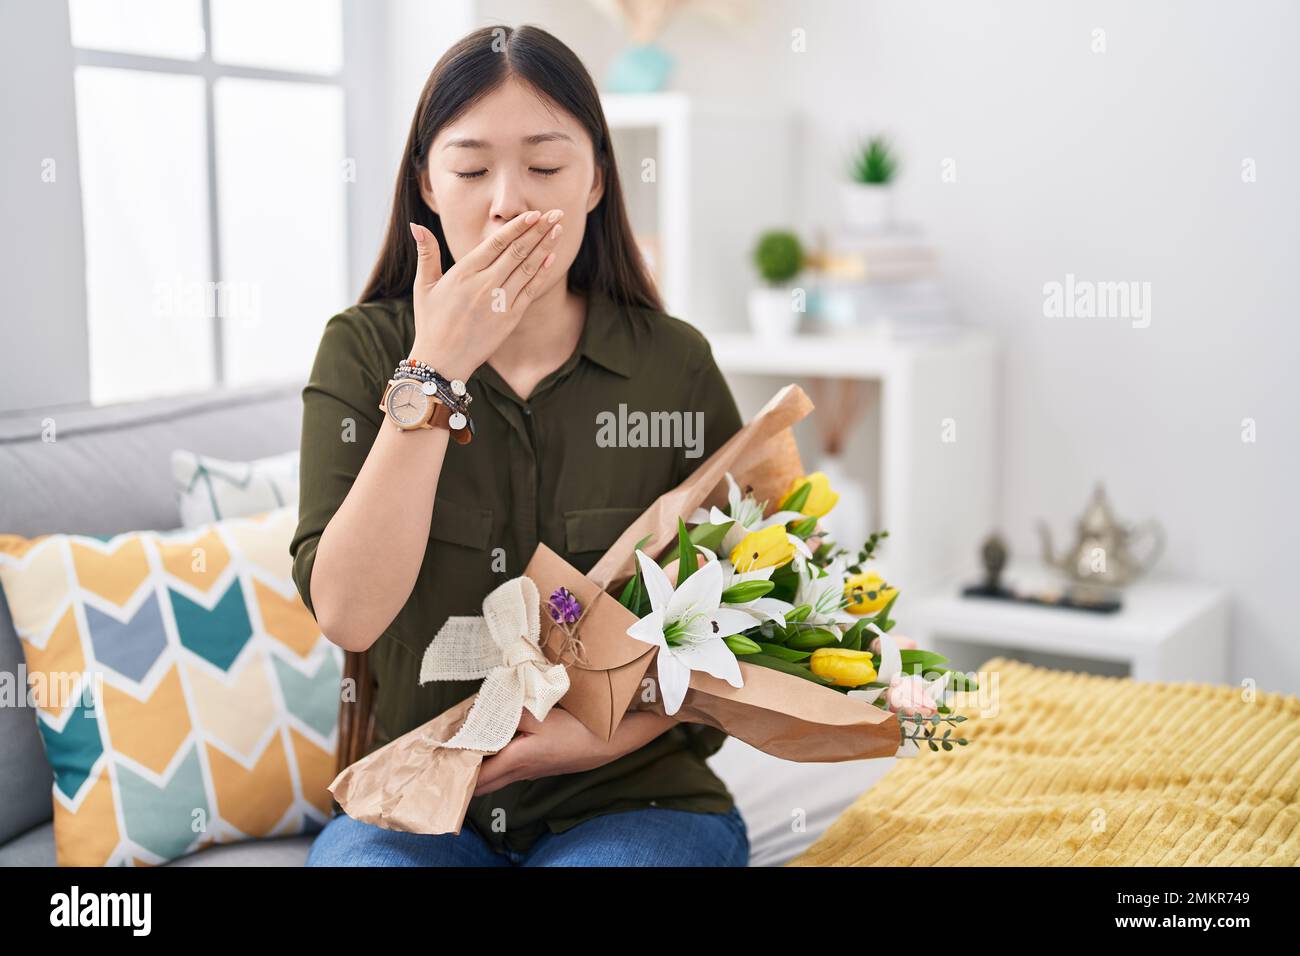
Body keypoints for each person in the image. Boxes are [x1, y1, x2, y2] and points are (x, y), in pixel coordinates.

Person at [291, 24, 749, 867]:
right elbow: (348, 613)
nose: (509, 201)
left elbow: (745, 620)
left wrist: (595, 740)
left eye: (545, 167)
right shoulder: (362, 351)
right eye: (470, 169)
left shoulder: (673, 364)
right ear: (425, 184)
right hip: (416, 806)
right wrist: (435, 373)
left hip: (637, 798)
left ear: (597, 180)